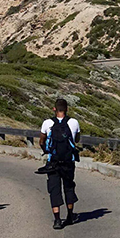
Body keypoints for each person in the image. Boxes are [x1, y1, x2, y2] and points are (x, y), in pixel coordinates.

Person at [40, 98, 81, 230]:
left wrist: (47, 151)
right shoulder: (74, 122)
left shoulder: (47, 123)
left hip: (53, 162)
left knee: (54, 189)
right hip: (68, 162)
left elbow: (41, 141)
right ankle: (70, 216)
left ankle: (57, 220)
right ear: (67, 109)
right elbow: (77, 139)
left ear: (54, 109)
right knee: (68, 187)